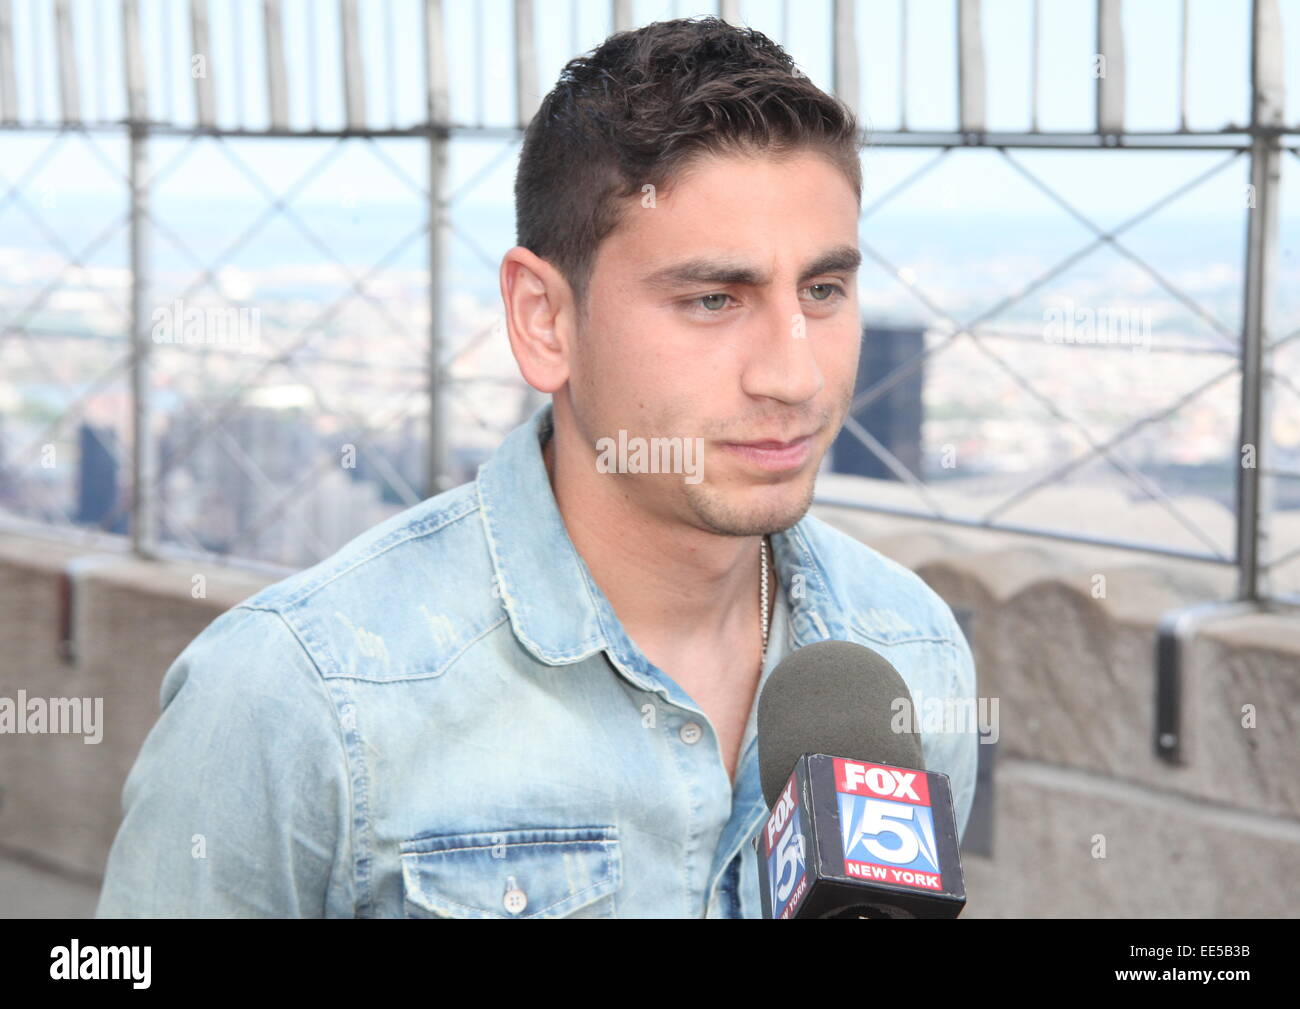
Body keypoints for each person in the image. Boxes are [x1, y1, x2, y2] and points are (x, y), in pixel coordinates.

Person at [97, 16, 977, 919]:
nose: (793, 373)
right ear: (544, 319)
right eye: (714, 299)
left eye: (823, 291)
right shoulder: (298, 696)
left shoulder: (908, 650)